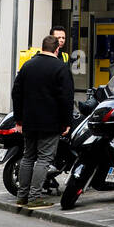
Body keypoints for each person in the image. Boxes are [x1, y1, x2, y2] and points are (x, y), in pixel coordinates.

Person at [12, 35, 75, 209]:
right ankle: (34, 197)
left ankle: (21, 196)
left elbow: (16, 93)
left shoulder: (28, 65)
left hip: (29, 121)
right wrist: (66, 121)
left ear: (42, 47)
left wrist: (19, 119)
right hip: (50, 122)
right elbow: (66, 98)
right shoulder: (60, 68)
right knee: (43, 159)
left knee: (28, 156)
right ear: (56, 50)